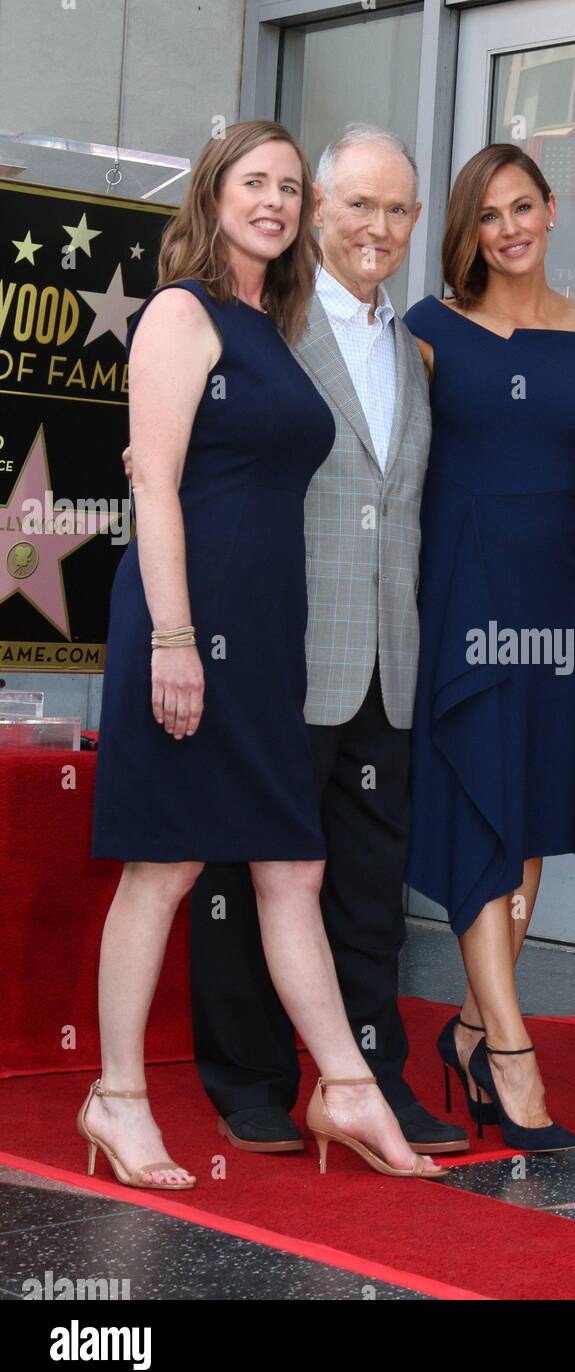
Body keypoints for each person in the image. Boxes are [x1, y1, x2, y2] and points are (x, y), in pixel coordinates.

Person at [87, 119, 443, 1187]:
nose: (276, 203)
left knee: (294, 864)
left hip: (269, 638)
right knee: (165, 867)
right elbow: (152, 483)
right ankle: (116, 1096)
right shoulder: (182, 313)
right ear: (213, 193)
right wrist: (175, 637)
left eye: (290, 187)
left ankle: (344, 1085)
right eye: (257, 183)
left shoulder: (274, 321)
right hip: (186, 627)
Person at [182, 124, 466, 1158]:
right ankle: (248, 1080)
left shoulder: (413, 347)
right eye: (355, 205)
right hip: (279, 649)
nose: (376, 228)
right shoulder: (266, 328)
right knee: (245, 876)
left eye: (396, 210)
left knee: (365, 894)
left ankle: (369, 1078)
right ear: (317, 211)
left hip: (387, 662)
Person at [403, 144, 575, 1152]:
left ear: (549, 209)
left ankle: (468, 1030)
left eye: (522, 206)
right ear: (466, 230)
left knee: (525, 813)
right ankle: (509, 1049)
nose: (507, 228)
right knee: (481, 807)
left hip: (550, 591)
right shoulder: (429, 332)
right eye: (486, 214)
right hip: (460, 586)